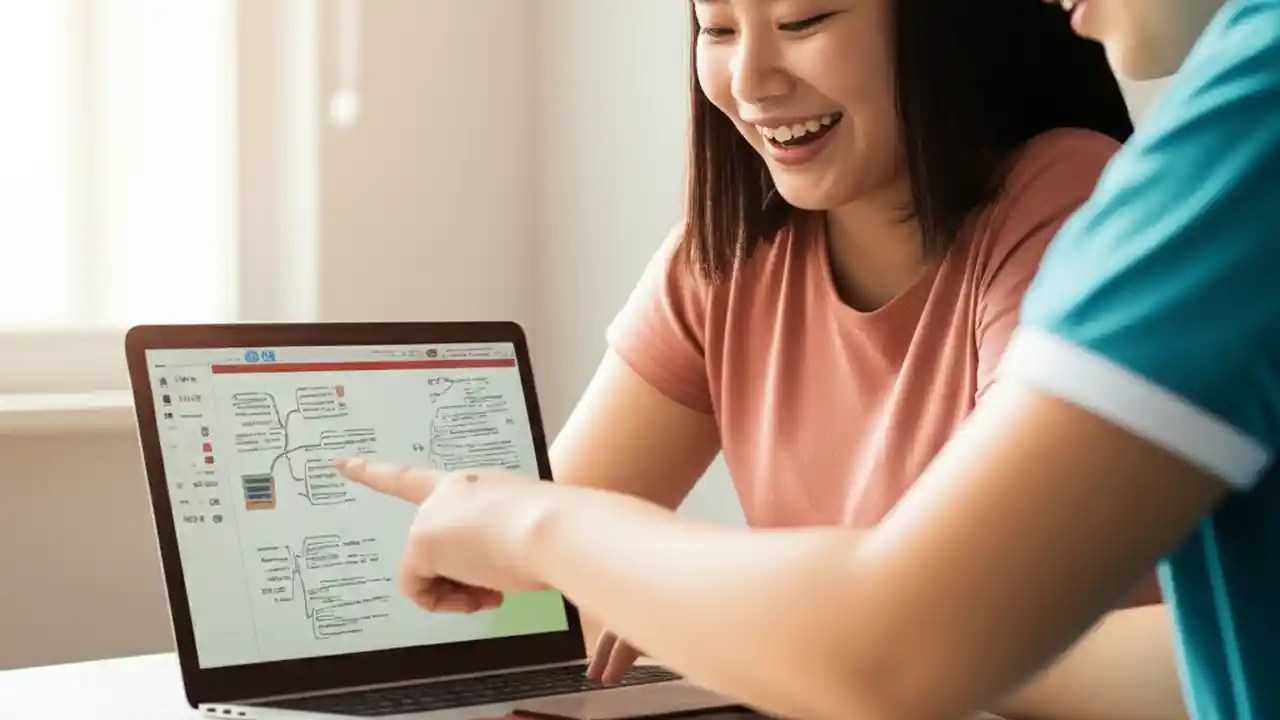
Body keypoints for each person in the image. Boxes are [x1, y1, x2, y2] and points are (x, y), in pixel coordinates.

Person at [337, 0, 1280, 717]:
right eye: (715, 27)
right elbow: (526, 604)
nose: (751, 80)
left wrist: (726, 619)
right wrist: (717, 612)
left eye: (805, 20)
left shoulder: (1081, 193)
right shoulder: (728, 255)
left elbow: (914, 640)